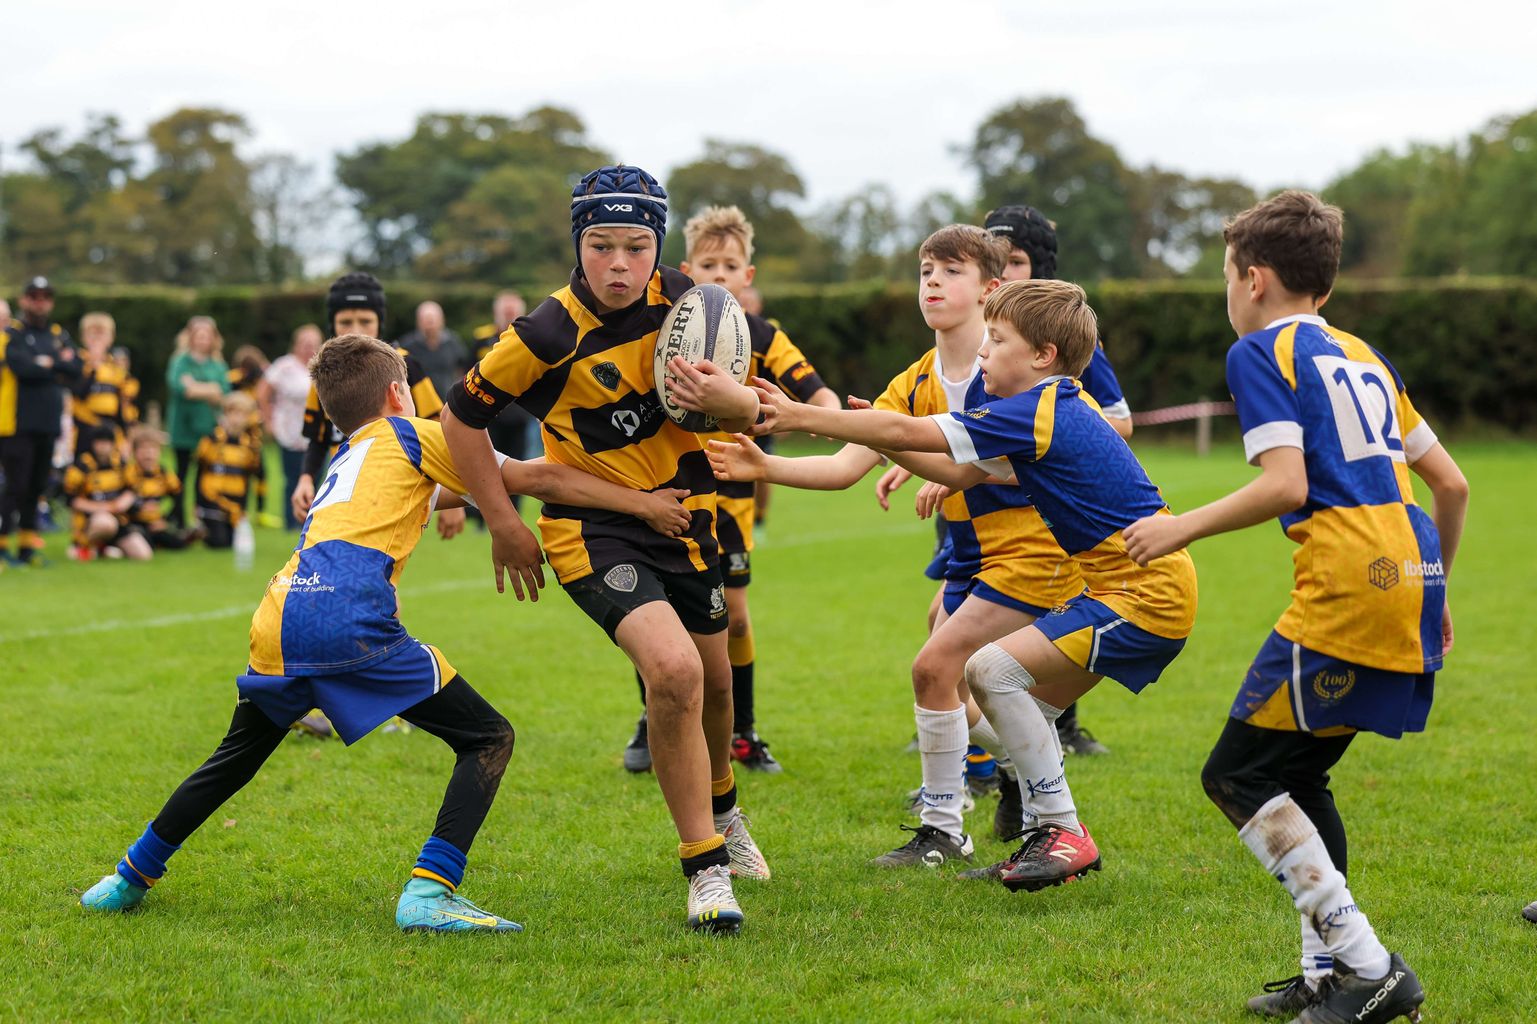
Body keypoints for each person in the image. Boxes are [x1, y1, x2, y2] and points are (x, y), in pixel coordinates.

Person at [78, 334, 691, 932]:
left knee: (234, 759)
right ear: (400, 392)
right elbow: (540, 479)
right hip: (349, 622)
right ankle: (429, 891)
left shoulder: (349, 458)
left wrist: (478, 498)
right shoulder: (414, 434)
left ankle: (128, 878)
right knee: (488, 738)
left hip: (280, 616)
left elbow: (444, 496)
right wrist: (645, 505)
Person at [705, 278, 1197, 892]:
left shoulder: (1038, 410)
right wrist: (861, 435)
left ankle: (1058, 828)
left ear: (1042, 355)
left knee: (988, 671)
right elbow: (947, 466)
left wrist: (795, 413)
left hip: (1142, 592)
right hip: (1133, 589)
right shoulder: (1051, 409)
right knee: (1017, 714)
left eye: (997, 340)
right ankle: (1050, 827)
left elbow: (914, 435)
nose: (984, 352)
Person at [1123, 191, 1464, 1024]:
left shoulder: (1259, 351)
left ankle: (1370, 968)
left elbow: (1286, 485)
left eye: (1224, 278)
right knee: (1298, 774)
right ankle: (1326, 974)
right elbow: (1449, 482)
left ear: (1254, 278)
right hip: (1409, 570)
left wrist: (1179, 528)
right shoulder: (1362, 353)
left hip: (1349, 583)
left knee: (1234, 774)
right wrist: (1436, 586)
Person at [442, 164, 770, 934]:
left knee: (718, 686)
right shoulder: (544, 334)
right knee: (674, 671)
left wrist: (734, 403)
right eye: (600, 246)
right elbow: (462, 422)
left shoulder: (690, 302)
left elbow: (743, 399)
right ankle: (705, 868)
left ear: (657, 244)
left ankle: (724, 808)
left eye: (634, 246)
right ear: (576, 245)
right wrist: (503, 520)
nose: (618, 264)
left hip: (687, 519)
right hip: (591, 529)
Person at [705, 226, 1082, 867]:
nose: (931, 281)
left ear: (993, 290)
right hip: (976, 552)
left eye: (950, 271)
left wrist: (888, 444)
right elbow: (849, 463)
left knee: (935, 667)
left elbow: (985, 460)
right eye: (925, 270)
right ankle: (1029, 767)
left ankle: (943, 827)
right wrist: (763, 468)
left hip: (1039, 550)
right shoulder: (913, 379)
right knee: (959, 685)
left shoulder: (1015, 374)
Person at [620, 205, 840, 776]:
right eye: (709, 265)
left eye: (732, 265)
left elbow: (823, 402)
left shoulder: (764, 337)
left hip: (732, 500)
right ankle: (653, 717)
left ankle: (742, 729)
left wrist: (792, 417)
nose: (720, 275)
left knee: (733, 618)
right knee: (659, 614)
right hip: (669, 492)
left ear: (749, 275)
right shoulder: (661, 331)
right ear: (688, 269)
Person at [290, 274, 464, 541]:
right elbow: (318, 436)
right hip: (343, 488)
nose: (356, 329)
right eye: (345, 322)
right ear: (332, 324)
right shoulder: (325, 372)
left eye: (365, 321)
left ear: (379, 323)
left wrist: (452, 489)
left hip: (392, 485)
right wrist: (305, 478)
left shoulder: (403, 365)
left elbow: (439, 428)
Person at [2, 276, 83, 565]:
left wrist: (49, 363)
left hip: (48, 423)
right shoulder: (15, 332)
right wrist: (54, 364)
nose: (39, 302)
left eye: (45, 297)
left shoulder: (58, 333)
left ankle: (27, 546)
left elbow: (76, 367)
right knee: (15, 486)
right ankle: (2, 544)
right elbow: (21, 366)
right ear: (24, 300)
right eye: (34, 296)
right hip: (18, 423)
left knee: (37, 487)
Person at [471, 292, 538, 509]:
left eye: (513, 312)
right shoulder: (482, 337)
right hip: (489, 411)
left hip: (519, 411)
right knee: (488, 463)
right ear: (496, 313)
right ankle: (485, 510)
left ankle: (514, 508)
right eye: (505, 312)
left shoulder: (532, 336)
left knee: (518, 462)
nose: (509, 316)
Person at [164, 316, 230, 530]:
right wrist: (209, 389)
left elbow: (223, 392)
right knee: (181, 477)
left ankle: (203, 522)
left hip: (208, 430)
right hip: (183, 429)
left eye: (207, 336)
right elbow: (181, 388)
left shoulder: (218, 364)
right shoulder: (180, 361)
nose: (202, 340)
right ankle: (179, 520)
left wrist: (197, 387)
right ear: (190, 337)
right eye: (198, 335)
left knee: (204, 480)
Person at [260, 324, 321, 530]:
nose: (308, 348)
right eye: (304, 343)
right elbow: (263, 392)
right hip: (289, 431)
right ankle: (292, 521)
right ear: (296, 345)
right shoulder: (284, 366)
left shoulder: (323, 365)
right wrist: (268, 420)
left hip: (316, 433)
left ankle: (313, 520)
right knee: (293, 477)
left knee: (317, 476)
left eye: (312, 343)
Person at [63, 425, 151, 561]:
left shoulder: (121, 464)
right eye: (100, 442)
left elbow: (134, 489)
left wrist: (121, 504)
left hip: (119, 519)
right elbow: (71, 499)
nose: (103, 446)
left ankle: (104, 548)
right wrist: (105, 507)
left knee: (143, 555)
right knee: (106, 523)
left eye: (107, 442)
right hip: (92, 520)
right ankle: (82, 545)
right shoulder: (82, 465)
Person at [193, 392, 265, 549]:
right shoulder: (211, 440)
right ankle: (202, 528)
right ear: (225, 414)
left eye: (244, 414)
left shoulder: (250, 446)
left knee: (236, 543)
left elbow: (253, 478)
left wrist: (251, 509)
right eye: (234, 413)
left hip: (235, 506)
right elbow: (199, 473)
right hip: (212, 503)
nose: (238, 419)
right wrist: (196, 506)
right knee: (220, 543)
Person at [71, 312, 138, 456]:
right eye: (92, 334)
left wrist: (126, 435)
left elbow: (123, 405)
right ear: (83, 337)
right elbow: (77, 393)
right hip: (84, 428)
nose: (97, 339)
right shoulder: (77, 362)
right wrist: (93, 369)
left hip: (109, 428)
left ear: (111, 338)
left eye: (102, 334)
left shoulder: (116, 369)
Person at [124, 426, 186, 550]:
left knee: (178, 543)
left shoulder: (164, 474)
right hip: (134, 522)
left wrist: (165, 520)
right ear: (135, 452)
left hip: (155, 522)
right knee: (143, 539)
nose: (148, 453)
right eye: (143, 449)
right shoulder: (128, 474)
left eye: (153, 449)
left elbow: (178, 496)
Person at [399, 300, 469, 402]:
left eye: (432, 320)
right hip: (419, 406)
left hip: (449, 403)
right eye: (426, 320)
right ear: (418, 321)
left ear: (442, 320)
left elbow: (463, 368)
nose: (430, 325)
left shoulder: (453, 342)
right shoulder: (407, 346)